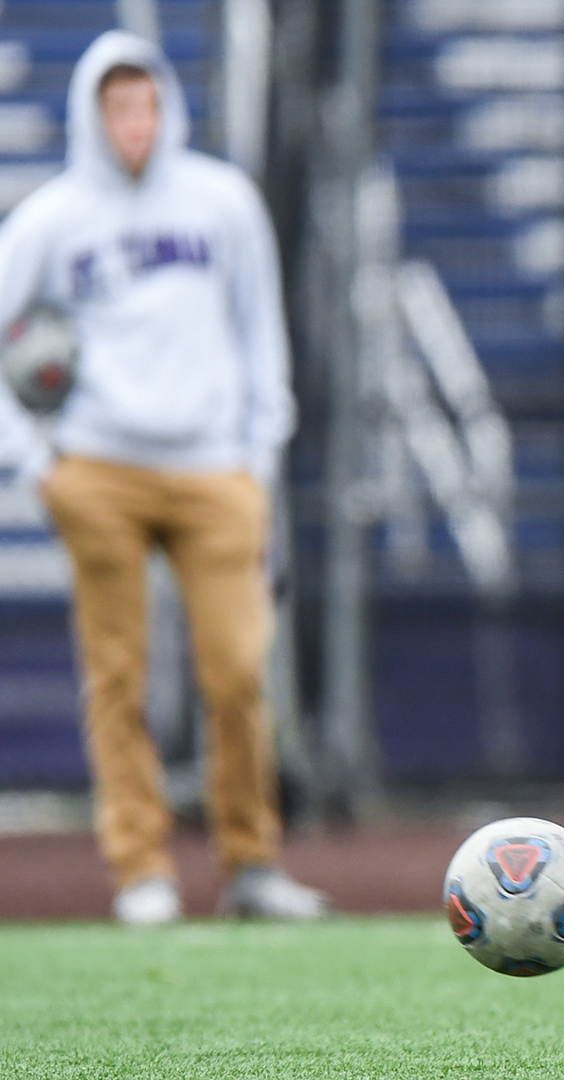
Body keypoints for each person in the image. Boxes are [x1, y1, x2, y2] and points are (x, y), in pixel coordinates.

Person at [0, 32, 324, 924]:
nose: (135, 124)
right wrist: (37, 459)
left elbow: (262, 328)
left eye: (146, 105)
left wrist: (260, 450)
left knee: (237, 672)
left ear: (167, 107)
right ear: (92, 115)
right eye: (118, 107)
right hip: (99, 467)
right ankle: (141, 868)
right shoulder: (51, 220)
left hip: (214, 467)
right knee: (117, 676)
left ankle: (251, 862)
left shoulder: (222, 202)